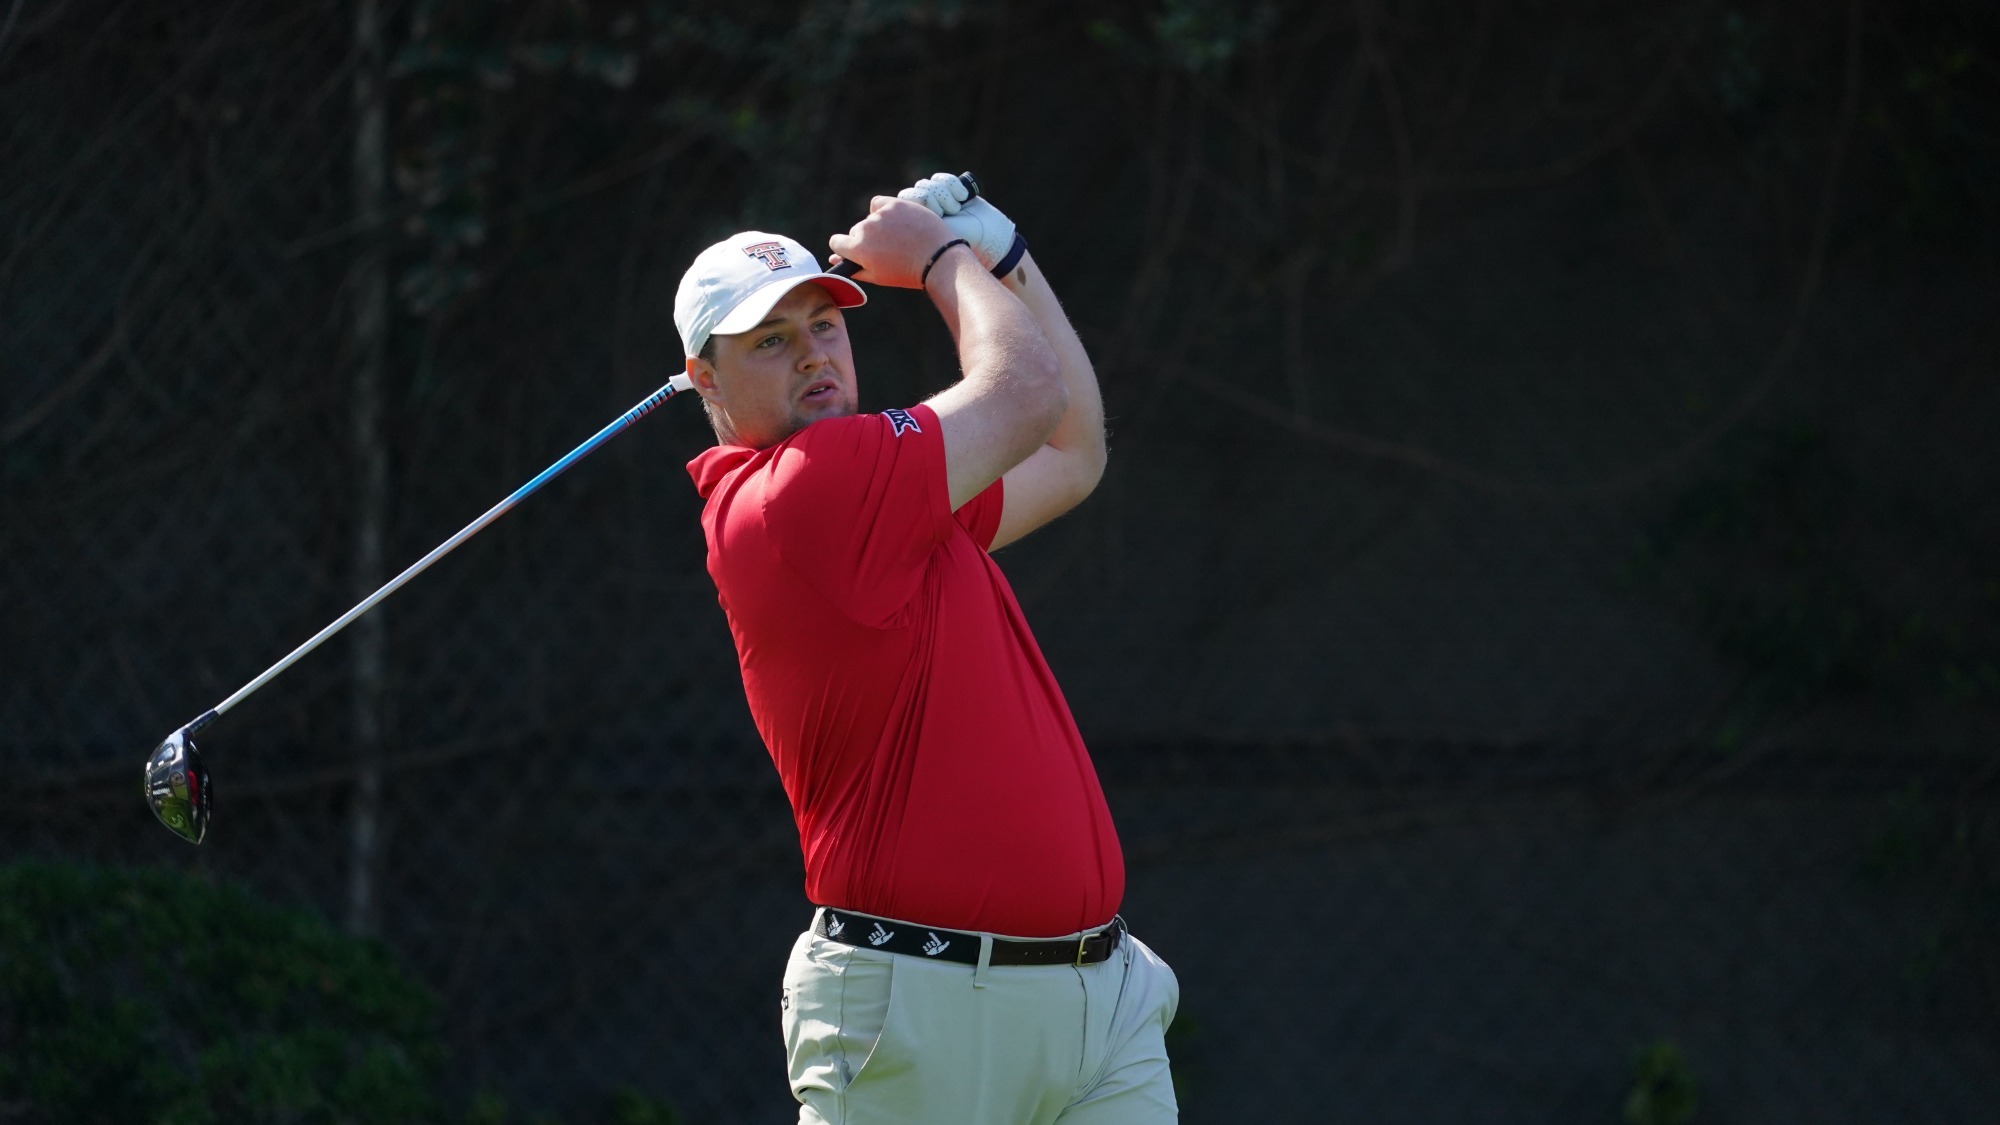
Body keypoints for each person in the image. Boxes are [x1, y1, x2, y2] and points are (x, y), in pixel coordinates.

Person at [675, 173, 1178, 1125]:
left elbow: (1072, 452)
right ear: (705, 380)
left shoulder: (888, 495)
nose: (813, 354)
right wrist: (946, 259)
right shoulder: (806, 490)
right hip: (923, 1008)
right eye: (770, 340)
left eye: (825, 325)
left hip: (1098, 1000)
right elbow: (1027, 394)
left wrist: (1008, 261)